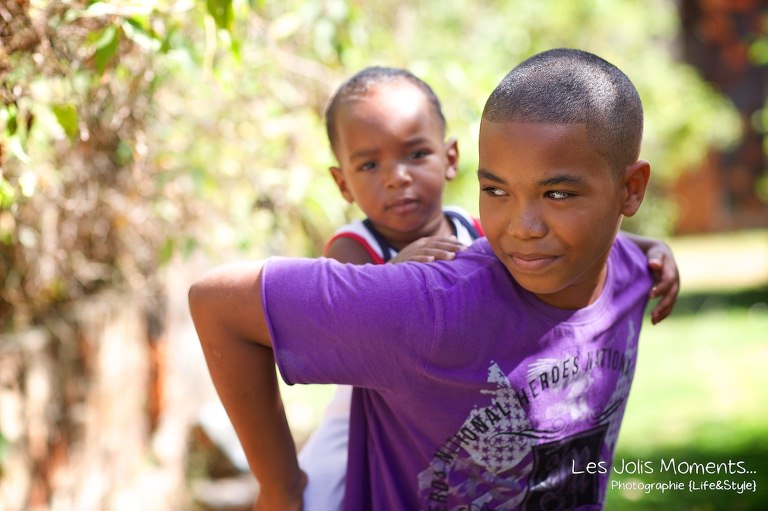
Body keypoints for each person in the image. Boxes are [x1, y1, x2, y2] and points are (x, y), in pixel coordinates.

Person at [189, 49, 673, 510]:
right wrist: (280, 486)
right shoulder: (422, 304)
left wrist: (648, 251)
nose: (523, 227)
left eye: (559, 193)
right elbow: (218, 303)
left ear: (631, 190)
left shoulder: (632, 273)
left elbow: (618, 252)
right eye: (496, 190)